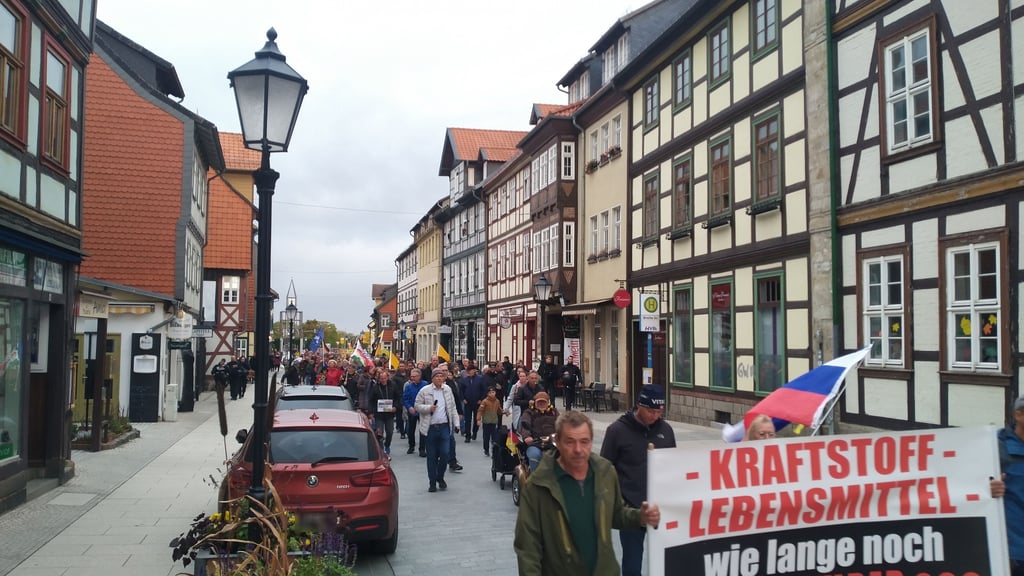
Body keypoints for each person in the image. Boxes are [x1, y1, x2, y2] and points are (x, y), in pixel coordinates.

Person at [514, 410, 661, 576]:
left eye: (584, 442)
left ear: (591, 442)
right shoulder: (538, 486)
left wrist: (639, 517)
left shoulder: (605, 472)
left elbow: (616, 514)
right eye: (570, 442)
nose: (578, 449)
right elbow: (528, 549)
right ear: (558, 443)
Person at [600, 384, 676, 576]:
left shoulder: (665, 430)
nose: (655, 416)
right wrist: (618, 503)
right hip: (632, 509)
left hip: (661, 509)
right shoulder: (617, 431)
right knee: (633, 565)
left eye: (659, 411)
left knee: (667, 561)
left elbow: (674, 465)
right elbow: (604, 470)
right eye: (651, 411)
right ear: (639, 406)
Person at [414, 368, 460, 492]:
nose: (439, 378)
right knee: (432, 457)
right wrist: (429, 408)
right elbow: (417, 406)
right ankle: (432, 482)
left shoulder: (447, 390)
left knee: (445, 453)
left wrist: (456, 423)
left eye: (441, 376)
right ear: (433, 378)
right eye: (437, 376)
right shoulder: (425, 390)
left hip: (445, 426)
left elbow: (452, 407)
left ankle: (440, 477)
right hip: (430, 428)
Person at [993, 397, 1024, 575]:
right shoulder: (997, 446)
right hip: (1013, 549)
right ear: (1018, 415)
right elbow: (969, 484)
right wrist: (988, 488)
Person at [519, 391, 558, 472]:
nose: (541, 404)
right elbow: (525, 424)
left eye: (543, 402)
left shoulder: (554, 412)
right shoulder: (528, 412)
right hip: (535, 443)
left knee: (564, 455)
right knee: (534, 455)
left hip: (552, 442)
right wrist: (527, 437)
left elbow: (563, 424)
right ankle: (535, 479)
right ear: (535, 402)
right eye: (539, 402)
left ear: (548, 402)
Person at [369, 368, 402, 455]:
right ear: (379, 379)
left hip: (390, 413)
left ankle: (387, 444)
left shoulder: (393, 385)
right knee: (379, 433)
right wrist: (371, 412)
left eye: (384, 378)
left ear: (387, 378)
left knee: (390, 431)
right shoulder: (375, 387)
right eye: (381, 378)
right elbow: (371, 400)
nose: (383, 380)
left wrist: (395, 407)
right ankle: (381, 449)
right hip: (379, 414)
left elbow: (398, 398)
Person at [460, 363, 487, 443]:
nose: (471, 372)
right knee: (467, 419)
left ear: (475, 371)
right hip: (467, 402)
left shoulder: (480, 379)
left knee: (476, 418)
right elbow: (461, 390)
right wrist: (463, 398)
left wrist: (481, 399)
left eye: (472, 370)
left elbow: (484, 390)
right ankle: (467, 435)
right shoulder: (465, 380)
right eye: (469, 371)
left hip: (477, 402)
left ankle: (474, 432)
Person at [403, 368, 428, 456]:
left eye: (414, 376)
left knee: (423, 430)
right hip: (412, 410)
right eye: (411, 376)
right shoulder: (408, 386)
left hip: (423, 411)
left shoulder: (425, 385)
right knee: (411, 429)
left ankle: (422, 449)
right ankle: (411, 445)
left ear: (419, 376)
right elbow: (405, 399)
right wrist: (409, 407)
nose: (412, 378)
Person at [477, 386, 503, 457]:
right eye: (490, 393)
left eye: (493, 392)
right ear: (487, 394)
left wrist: (503, 412)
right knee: (486, 437)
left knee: (494, 437)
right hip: (486, 422)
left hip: (494, 421)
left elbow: (499, 409)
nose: (492, 394)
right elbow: (480, 411)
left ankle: (494, 450)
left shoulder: (497, 401)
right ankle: (486, 449)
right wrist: (478, 419)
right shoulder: (485, 401)